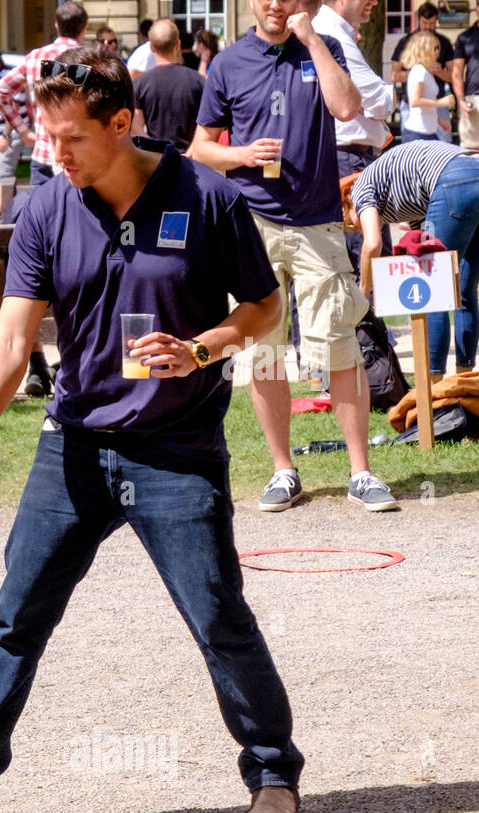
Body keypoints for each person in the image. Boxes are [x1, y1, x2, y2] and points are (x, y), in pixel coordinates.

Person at [0, 46, 305, 813]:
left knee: (216, 614)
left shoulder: (206, 197)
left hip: (176, 451)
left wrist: (203, 349)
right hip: (73, 445)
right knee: (16, 614)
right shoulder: (47, 207)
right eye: (49, 137)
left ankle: (274, 771)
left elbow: (264, 308)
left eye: (72, 138)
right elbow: (13, 335)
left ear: (122, 122)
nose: (57, 153)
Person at [189, 0, 397, 513]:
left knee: (339, 346)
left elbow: (348, 109)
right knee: (263, 350)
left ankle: (361, 473)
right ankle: (284, 471)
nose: (277, 4)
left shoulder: (321, 48)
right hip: (254, 225)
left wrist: (313, 43)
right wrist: (241, 155)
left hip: (318, 222)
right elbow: (199, 148)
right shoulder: (228, 63)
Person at [350, 141, 479, 377]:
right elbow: (421, 237)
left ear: (347, 202)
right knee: (465, 289)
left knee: (433, 289)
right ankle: (465, 381)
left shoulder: (359, 189)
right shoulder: (396, 193)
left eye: (351, 224)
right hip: (472, 168)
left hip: (450, 178)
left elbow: (372, 243)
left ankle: (434, 388)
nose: (355, 228)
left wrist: (363, 292)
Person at [311, 0, 395, 279]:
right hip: (350, 159)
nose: (374, 2)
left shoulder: (336, 32)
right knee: (365, 263)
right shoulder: (330, 32)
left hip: (356, 157)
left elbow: (371, 99)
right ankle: (364, 324)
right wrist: (383, 96)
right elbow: (380, 100)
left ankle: (366, 322)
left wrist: (373, 99)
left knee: (369, 261)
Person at [0, 2, 89, 187]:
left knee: (41, 215)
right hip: (82, 156)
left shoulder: (36, 57)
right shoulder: (91, 60)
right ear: (85, 27)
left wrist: (23, 131)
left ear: (56, 25)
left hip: (44, 151)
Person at [132, 18, 205, 152]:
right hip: (193, 162)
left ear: (152, 48)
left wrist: (160, 152)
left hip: (157, 162)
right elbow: (206, 126)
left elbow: (136, 129)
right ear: (178, 45)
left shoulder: (140, 84)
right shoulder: (199, 81)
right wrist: (191, 151)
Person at [0, 49, 28, 224]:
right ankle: (11, 212)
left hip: (10, 134)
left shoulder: (8, 78)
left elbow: (13, 110)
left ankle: (0, 214)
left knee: (4, 173)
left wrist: (6, 136)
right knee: (2, 172)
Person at [391, 3, 454, 101]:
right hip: (410, 101)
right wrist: (421, 71)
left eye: (432, 23)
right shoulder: (406, 42)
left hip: (437, 99)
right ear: (418, 19)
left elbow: (454, 75)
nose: (428, 27)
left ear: (436, 20)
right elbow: (394, 75)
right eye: (424, 23)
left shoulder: (443, 42)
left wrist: (439, 72)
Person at [401, 32, 454, 142]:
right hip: (417, 134)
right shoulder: (419, 71)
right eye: (435, 48)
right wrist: (441, 102)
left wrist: (438, 120)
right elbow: (415, 101)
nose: (438, 51)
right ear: (425, 50)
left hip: (427, 133)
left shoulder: (424, 71)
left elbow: (425, 106)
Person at [452, 13, 479, 148]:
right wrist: (461, 101)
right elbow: (457, 72)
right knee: (471, 150)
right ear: (477, 7)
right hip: (472, 100)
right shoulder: (465, 37)